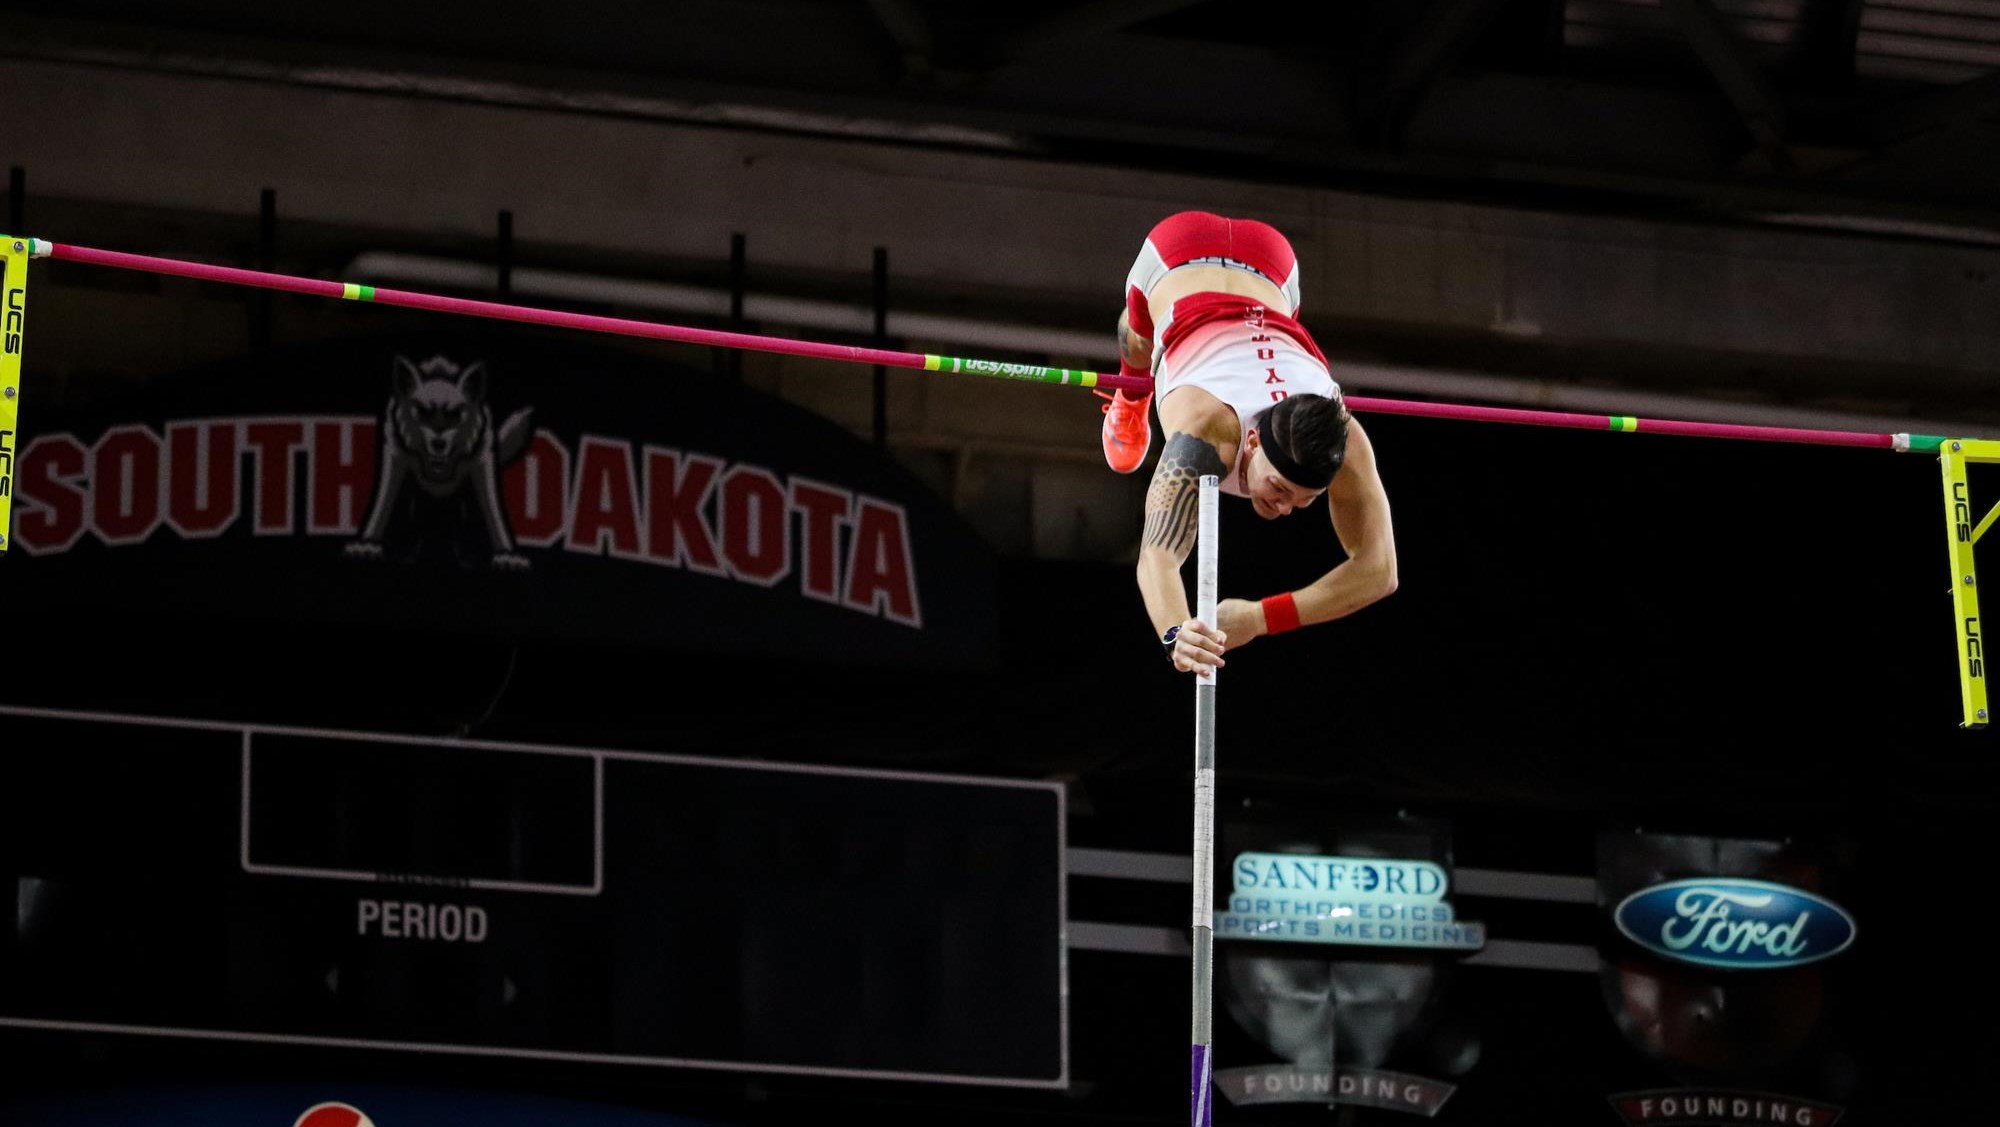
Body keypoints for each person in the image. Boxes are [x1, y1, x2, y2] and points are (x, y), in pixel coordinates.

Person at [1095, 211, 1397, 675]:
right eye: (1279, 489)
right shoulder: (1205, 429)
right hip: (1173, 254)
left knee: (1255, 324)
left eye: (1305, 500)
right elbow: (1156, 554)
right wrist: (1176, 633)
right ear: (1250, 443)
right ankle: (1130, 395)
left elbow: (1380, 571)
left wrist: (1260, 618)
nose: (1284, 509)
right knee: (1140, 339)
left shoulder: (1344, 438)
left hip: (1274, 266)